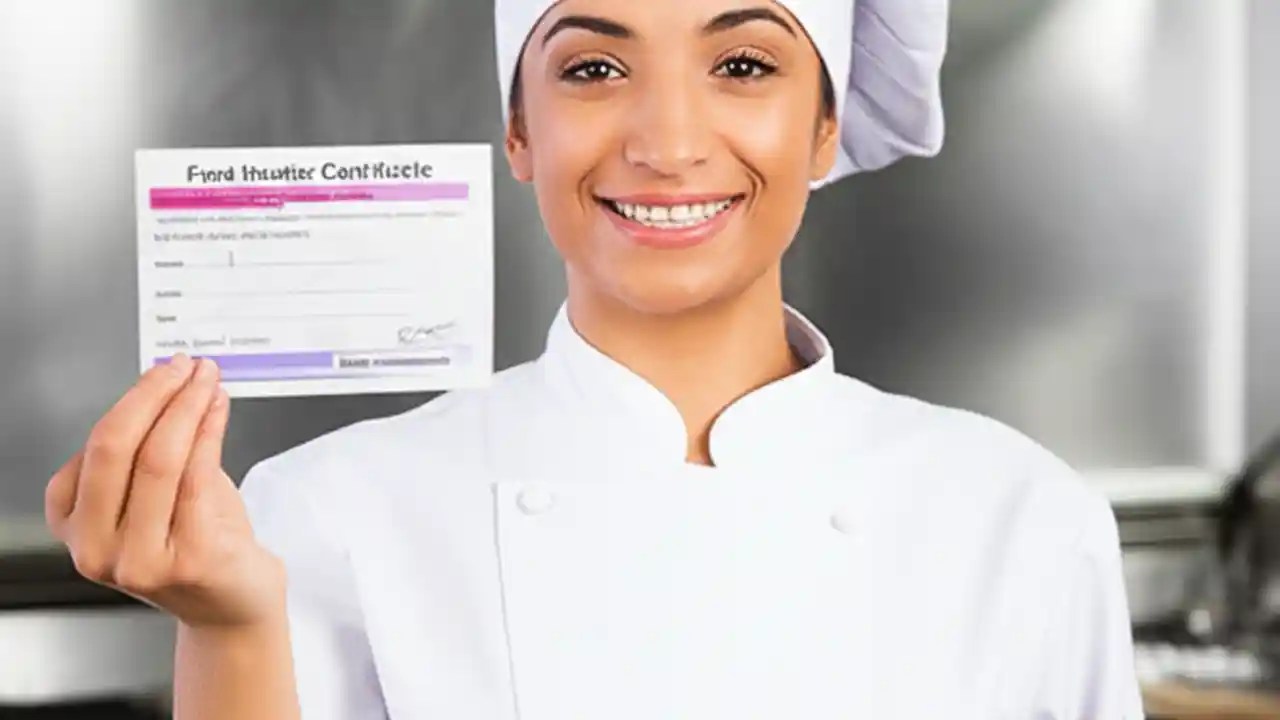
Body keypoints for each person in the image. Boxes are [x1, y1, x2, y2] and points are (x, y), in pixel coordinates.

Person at [43, 0, 1147, 718]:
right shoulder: (317, 517)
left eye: (744, 61)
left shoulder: (1021, 519)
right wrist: (227, 628)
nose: (667, 145)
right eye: (592, 68)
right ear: (518, 132)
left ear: (823, 128)